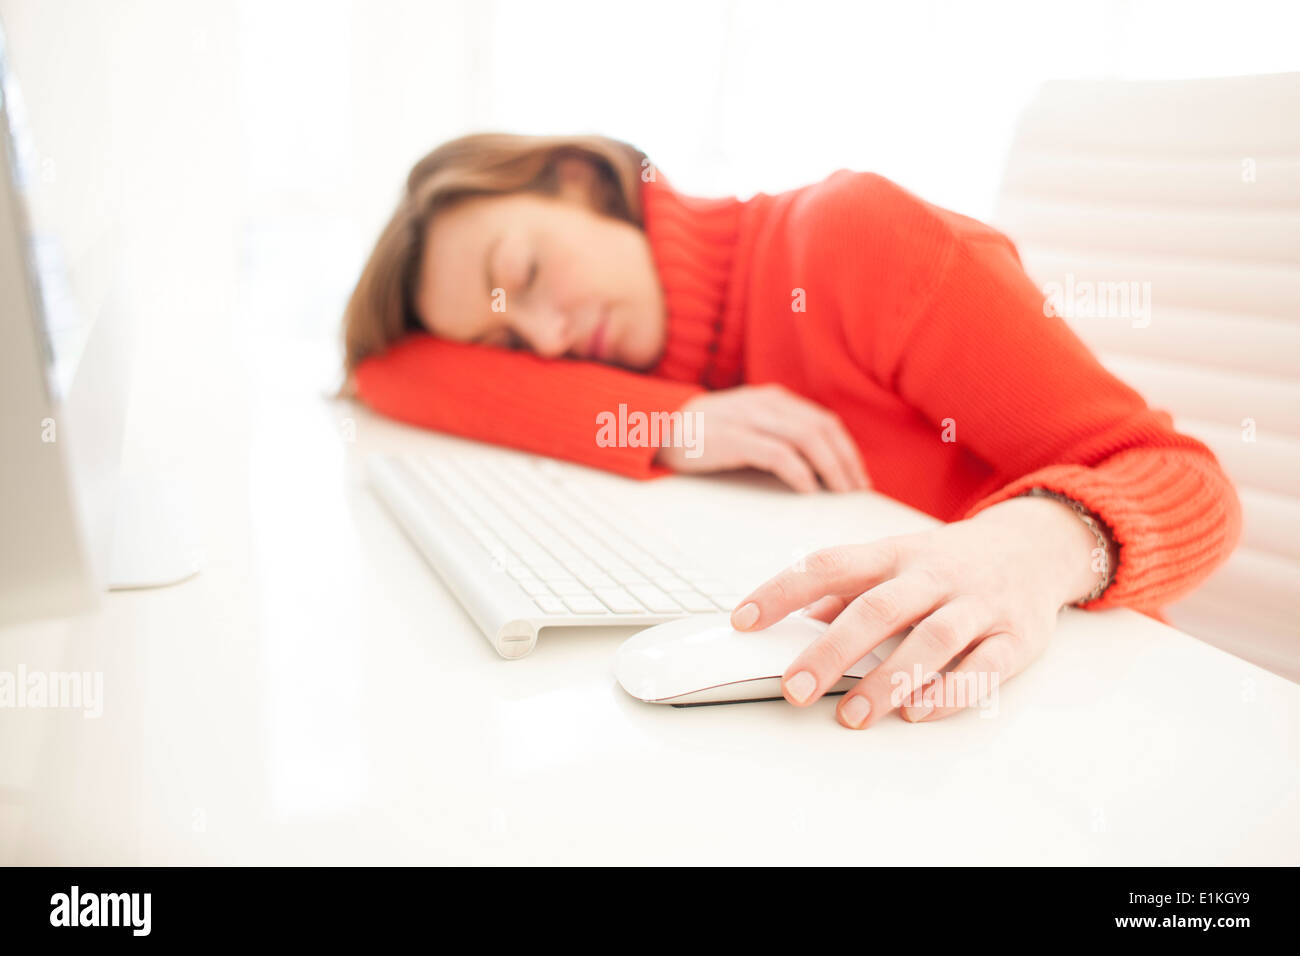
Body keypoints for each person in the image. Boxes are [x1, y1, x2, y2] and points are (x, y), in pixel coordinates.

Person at [342, 133, 1241, 730]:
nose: (541, 338)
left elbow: (1182, 479)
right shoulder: (630, 363)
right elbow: (386, 371)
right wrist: (672, 421)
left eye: (525, 273)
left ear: (585, 180)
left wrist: (1034, 548)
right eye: (502, 341)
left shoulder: (854, 241)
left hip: (1079, 696)